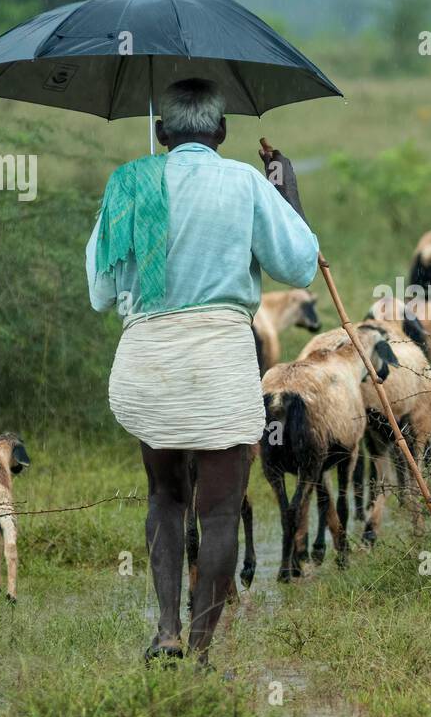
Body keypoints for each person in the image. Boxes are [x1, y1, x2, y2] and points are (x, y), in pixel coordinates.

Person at [85, 77, 317, 662]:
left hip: (149, 358)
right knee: (218, 510)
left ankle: (165, 629)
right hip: (220, 358)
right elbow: (299, 266)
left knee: (164, 495)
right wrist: (285, 189)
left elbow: (99, 292)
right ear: (221, 131)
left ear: (161, 132)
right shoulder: (244, 181)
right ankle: (203, 648)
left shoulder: (128, 184)